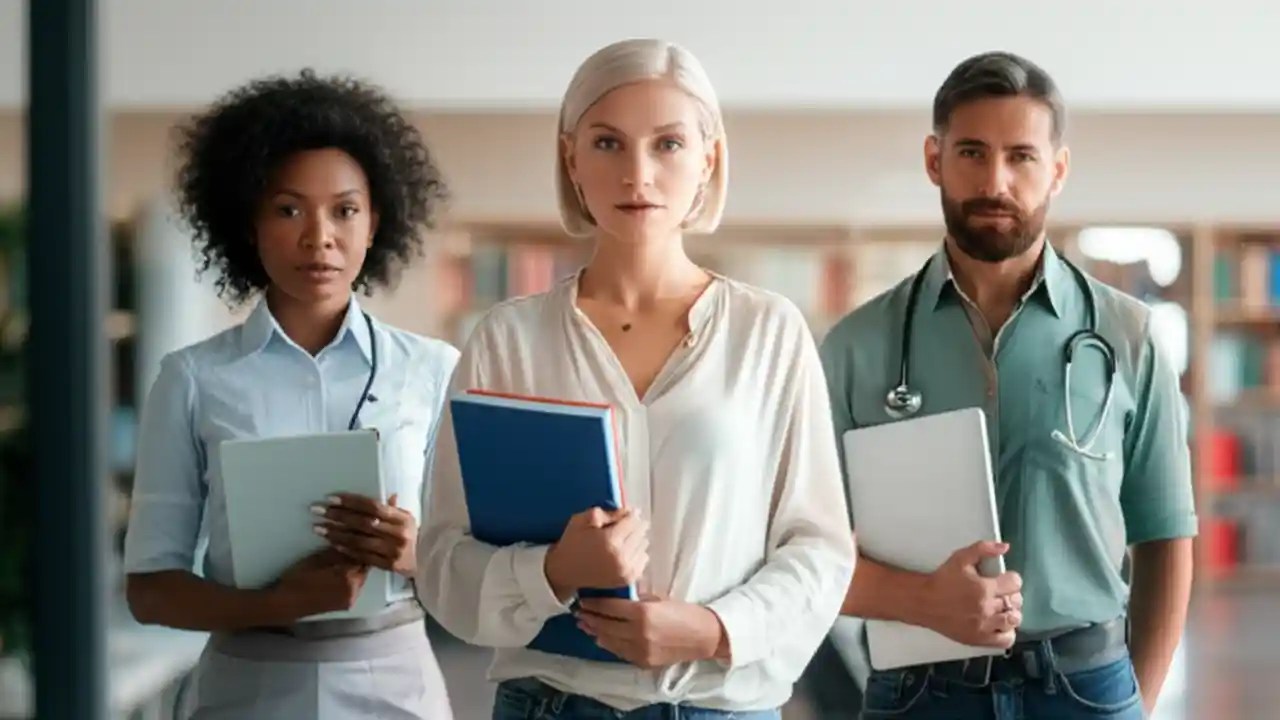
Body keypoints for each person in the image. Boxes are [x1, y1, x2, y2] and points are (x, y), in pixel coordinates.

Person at [416, 38, 855, 719]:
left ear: (708, 158)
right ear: (572, 158)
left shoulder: (769, 332)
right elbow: (443, 564)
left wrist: (712, 629)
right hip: (550, 705)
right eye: (608, 143)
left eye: (669, 144)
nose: (638, 174)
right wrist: (553, 572)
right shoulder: (508, 338)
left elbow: (819, 549)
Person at [820, 51, 1198, 719]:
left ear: (1057, 170)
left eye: (1021, 156)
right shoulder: (857, 346)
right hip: (918, 693)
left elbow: (1165, 535)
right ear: (934, 160)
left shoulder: (1129, 337)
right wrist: (918, 599)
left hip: (1088, 687)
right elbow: (808, 553)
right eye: (971, 152)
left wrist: (1137, 699)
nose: (995, 180)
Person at [122, 69, 459, 719]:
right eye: (288, 209)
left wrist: (416, 553)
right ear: (248, 223)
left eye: (345, 210)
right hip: (246, 686)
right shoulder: (192, 378)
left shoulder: (432, 369)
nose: (319, 237)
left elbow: (482, 566)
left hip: (395, 685)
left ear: (376, 220)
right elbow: (151, 592)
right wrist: (275, 605)